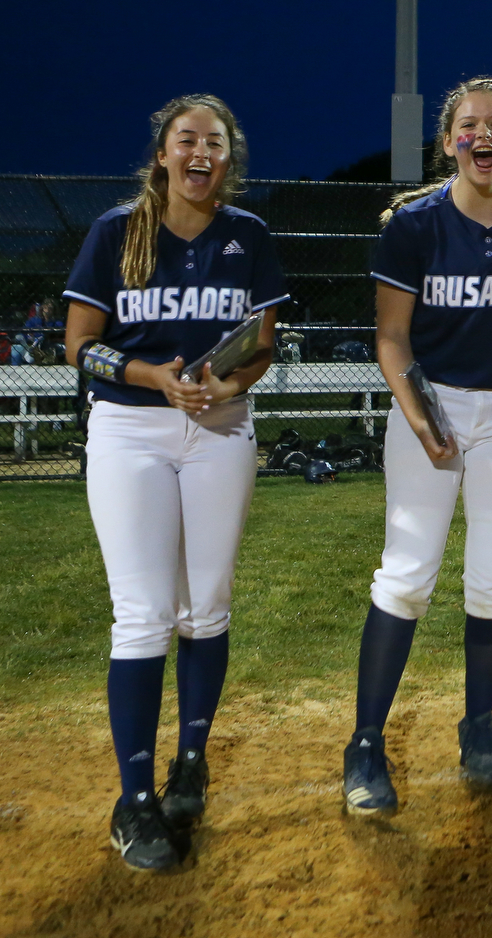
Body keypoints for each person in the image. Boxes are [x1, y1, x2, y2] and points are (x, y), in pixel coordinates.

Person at [341, 77, 492, 815]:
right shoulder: (414, 225)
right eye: (469, 126)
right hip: (433, 396)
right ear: (448, 141)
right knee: (407, 577)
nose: (484, 137)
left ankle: (478, 726)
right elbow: (390, 336)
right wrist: (420, 419)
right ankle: (365, 743)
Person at [63, 94, 287, 870]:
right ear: (162, 153)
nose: (200, 153)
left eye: (214, 142)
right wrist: (150, 376)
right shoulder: (114, 232)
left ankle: (190, 761)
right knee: (144, 614)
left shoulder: (247, 236)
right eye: (185, 140)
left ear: (229, 157)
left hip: (220, 430)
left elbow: (262, 343)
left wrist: (230, 386)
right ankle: (134, 801)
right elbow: (78, 347)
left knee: (207, 604)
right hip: (130, 429)